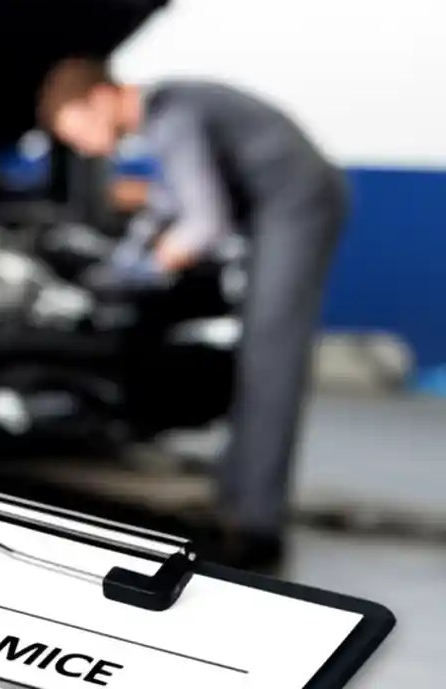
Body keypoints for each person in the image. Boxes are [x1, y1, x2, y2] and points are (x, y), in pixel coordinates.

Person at [38, 57, 349, 568]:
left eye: (81, 133)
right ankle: (235, 500)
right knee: (254, 354)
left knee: (270, 362)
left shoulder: (172, 116)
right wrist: (139, 237)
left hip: (297, 204)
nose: (87, 149)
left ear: (100, 99)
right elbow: (180, 197)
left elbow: (204, 223)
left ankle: (255, 526)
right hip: (272, 208)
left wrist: (138, 274)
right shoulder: (172, 109)